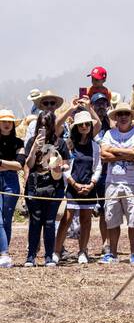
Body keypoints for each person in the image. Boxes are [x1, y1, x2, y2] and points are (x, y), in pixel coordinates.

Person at [98, 102, 134, 264]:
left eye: (126, 114)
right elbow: (103, 156)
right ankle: (112, 253)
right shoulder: (109, 133)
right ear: (116, 117)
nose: (123, 117)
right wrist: (126, 155)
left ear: (131, 116)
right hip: (112, 182)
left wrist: (114, 150)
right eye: (120, 114)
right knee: (112, 219)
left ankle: (133, 253)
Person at [22, 110, 69, 267]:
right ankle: (31, 256)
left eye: (47, 125)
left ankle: (49, 256)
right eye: (41, 125)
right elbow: (28, 165)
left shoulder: (60, 143)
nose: (44, 128)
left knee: (49, 222)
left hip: (54, 186)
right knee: (35, 222)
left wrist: (59, 168)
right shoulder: (31, 142)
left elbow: (67, 163)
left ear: (52, 125)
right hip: (34, 186)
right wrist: (35, 148)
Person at [54, 110, 102, 264]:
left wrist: (92, 183)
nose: (84, 126)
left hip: (89, 187)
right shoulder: (69, 145)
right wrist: (73, 183)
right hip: (72, 186)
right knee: (66, 219)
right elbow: (64, 166)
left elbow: (98, 166)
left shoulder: (95, 146)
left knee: (86, 220)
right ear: (76, 126)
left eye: (87, 124)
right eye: (80, 124)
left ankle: (82, 251)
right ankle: (56, 251)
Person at [0, 109, 23, 267]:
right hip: (8, 178)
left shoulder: (19, 143)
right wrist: (9, 164)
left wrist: (0, 163)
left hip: (11, 182)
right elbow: (14, 164)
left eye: (9, 121)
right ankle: (4, 253)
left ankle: (3, 251)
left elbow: (19, 165)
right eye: (3, 121)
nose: (7, 124)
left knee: (7, 218)